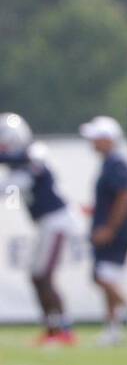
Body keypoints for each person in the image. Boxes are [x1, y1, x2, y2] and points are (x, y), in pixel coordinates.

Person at [0, 112, 78, 346]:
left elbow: (27, 163)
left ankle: (63, 329)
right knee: (37, 276)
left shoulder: (35, 154)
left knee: (43, 275)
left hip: (56, 221)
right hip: (46, 224)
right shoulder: (19, 169)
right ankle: (53, 328)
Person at [79, 115, 127, 345]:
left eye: (96, 138)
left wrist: (110, 227)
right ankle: (113, 327)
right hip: (111, 228)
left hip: (116, 231)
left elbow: (125, 195)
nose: (92, 143)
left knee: (104, 276)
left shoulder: (116, 163)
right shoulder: (110, 163)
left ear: (108, 139)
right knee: (106, 276)